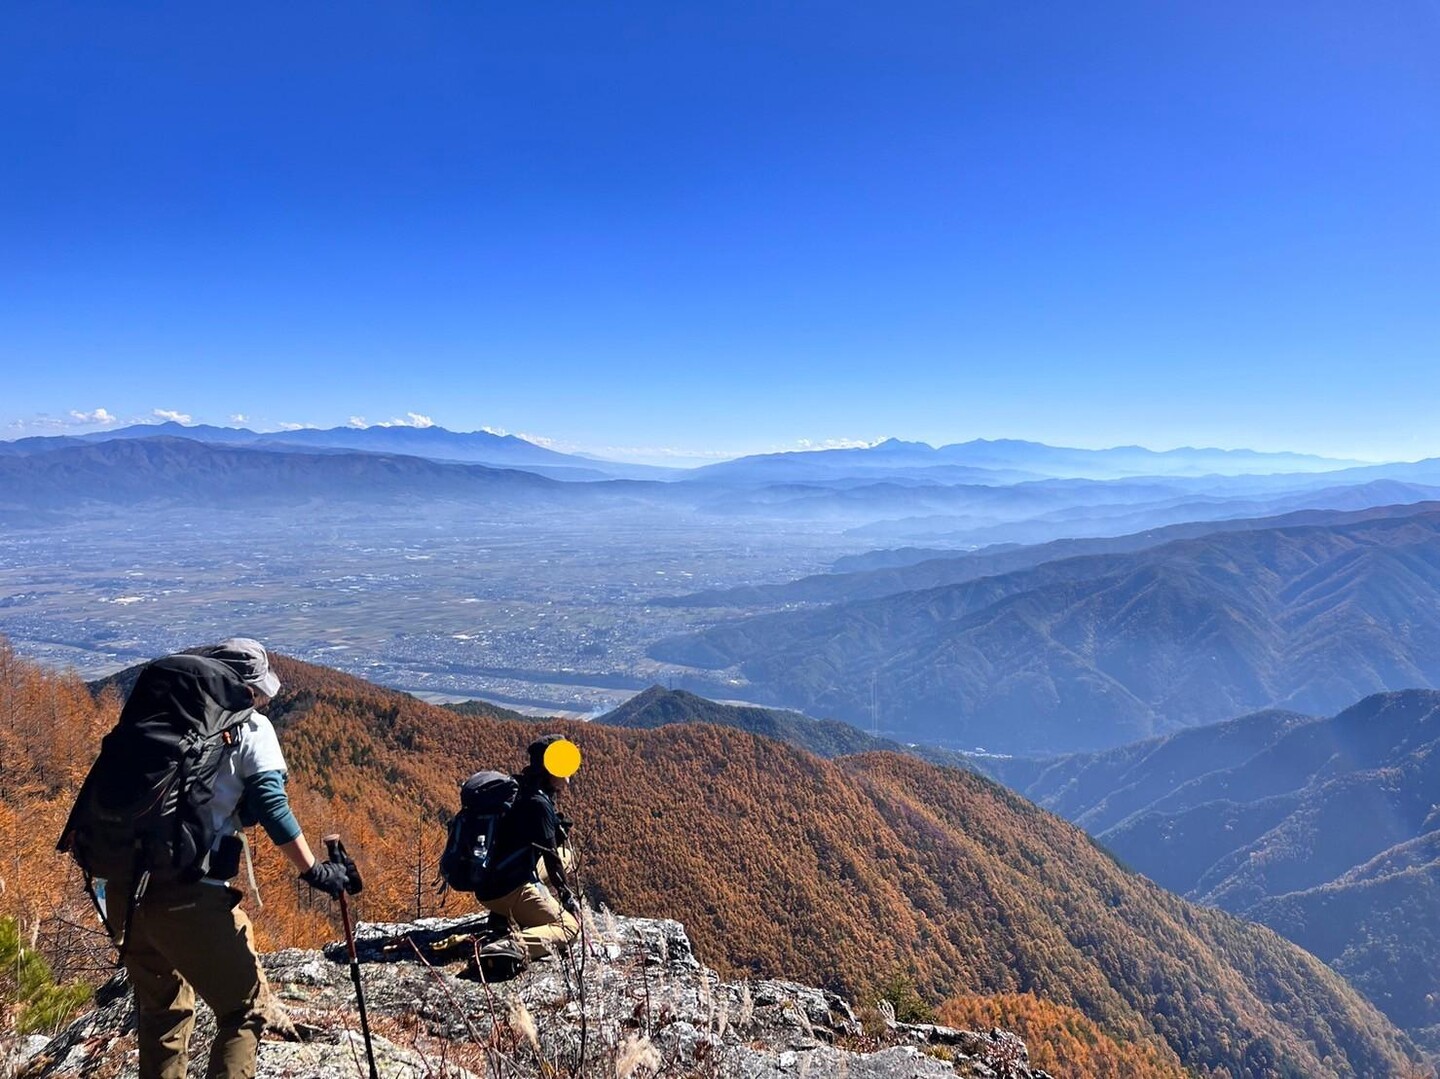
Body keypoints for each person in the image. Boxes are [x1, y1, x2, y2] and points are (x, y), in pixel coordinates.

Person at [102, 638, 358, 1079]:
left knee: (163, 1011)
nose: (260, 700)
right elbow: (273, 807)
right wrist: (315, 871)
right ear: (246, 687)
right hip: (187, 894)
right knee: (245, 1010)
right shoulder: (250, 728)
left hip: (123, 889)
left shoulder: (158, 720)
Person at [474, 734, 581, 959]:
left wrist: (554, 826)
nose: (568, 778)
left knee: (567, 856)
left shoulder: (522, 787)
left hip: (490, 881)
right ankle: (508, 946)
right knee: (569, 928)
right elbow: (551, 860)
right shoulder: (539, 804)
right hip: (507, 888)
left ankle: (503, 915)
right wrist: (568, 899)